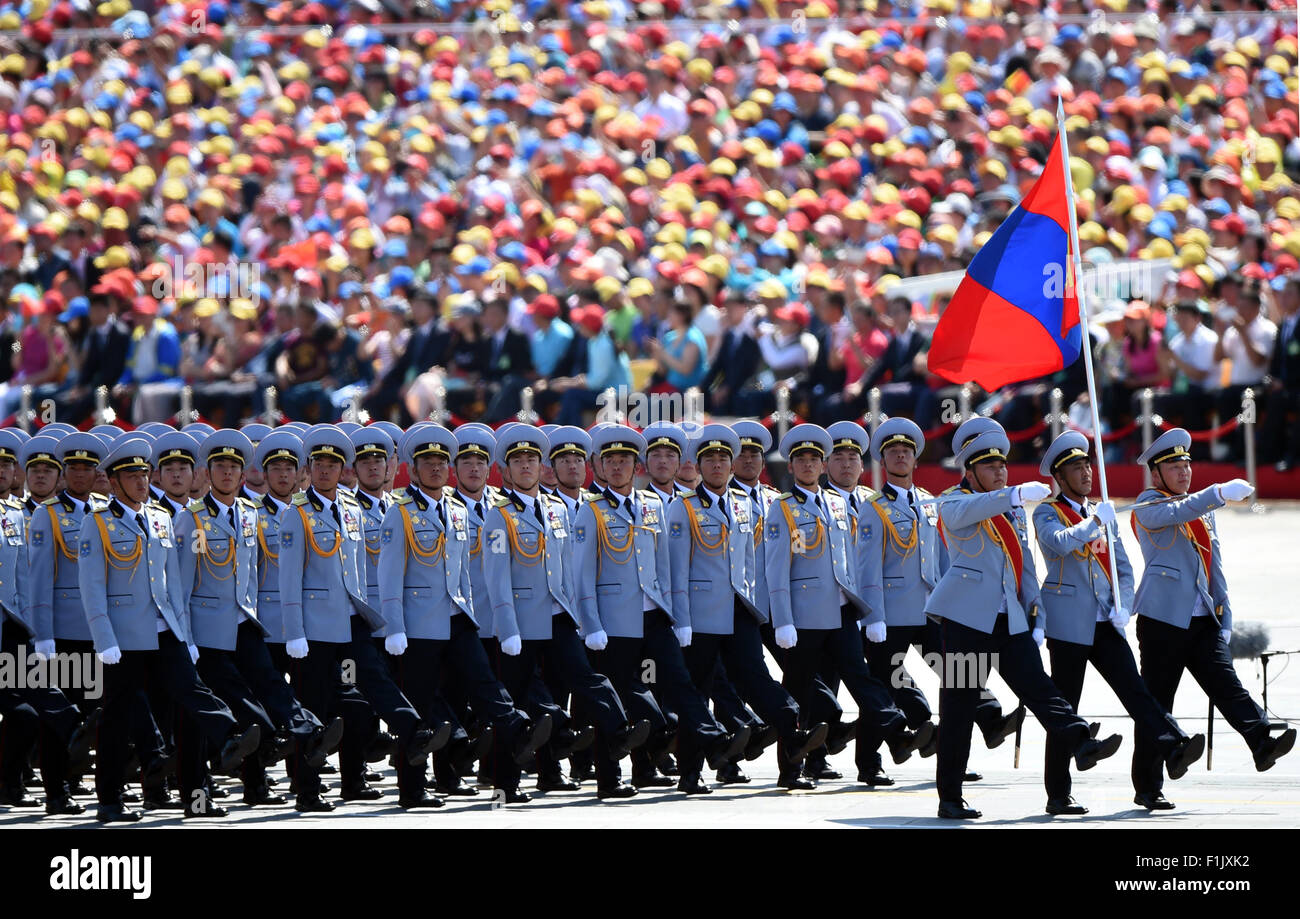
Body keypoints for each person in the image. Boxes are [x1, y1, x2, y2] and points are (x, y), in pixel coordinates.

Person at [925, 423, 1123, 819]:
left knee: (1042, 690)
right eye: (990, 466)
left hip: (1009, 618)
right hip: (965, 621)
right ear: (970, 471)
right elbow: (967, 513)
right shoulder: (952, 501)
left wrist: (1035, 608)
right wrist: (1011, 494)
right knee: (960, 707)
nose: (1000, 472)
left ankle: (1080, 741)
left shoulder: (1009, 507)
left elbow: (1024, 561)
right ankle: (950, 796)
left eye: (1003, 466)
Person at [78, 436, 263, 822]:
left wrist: (186, 635)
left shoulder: (161, 519)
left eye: (144, 474)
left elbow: (174, 586)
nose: (142, 482)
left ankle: (230, 736)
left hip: (165, 629)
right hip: (124, 635)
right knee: (118, 715)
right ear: (114, 483)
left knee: (191, 690)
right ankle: (110, 798)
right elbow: (91, 586)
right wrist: (103, 637)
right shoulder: (97, 523)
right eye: (132, 476)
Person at [377, 423, 552, 805]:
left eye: (442, 463)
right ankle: (412, 788)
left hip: (459, 617)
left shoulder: (456, 511)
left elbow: (464, 573)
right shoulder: (401, 513)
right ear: (415, 468)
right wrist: (394, 626)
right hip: (418, 625)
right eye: (428, 463)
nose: (436, 469)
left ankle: (516, 727)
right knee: (420, 702)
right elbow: (388, 575)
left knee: (485, 684)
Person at [278, 424, 449, 811]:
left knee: (370, 684)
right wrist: (294, 630)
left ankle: (410, 731)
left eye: (333, 466)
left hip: (352, 622)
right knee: (315, 706)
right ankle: (308, 791)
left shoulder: (353, 510)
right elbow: (288, 576)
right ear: (309, 469)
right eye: (319, 465)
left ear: (344, 471)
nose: (325, 472)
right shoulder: (297, 514)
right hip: (315, 629)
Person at [573, 425, 749, 795]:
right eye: (610, 462)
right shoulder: (592, 511)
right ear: (600, 468)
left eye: (624, 461)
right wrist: (591, 624)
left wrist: (679, 617)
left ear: (636, 467)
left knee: (681, 684)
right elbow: (581, 574)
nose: (617, 468)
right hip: (613, 620)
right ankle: (609, 778)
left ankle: (711, 740)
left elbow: (667, 566)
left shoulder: (655, 507)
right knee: (617, 694)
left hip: (654, 615)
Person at [1034, 431, 1204, 816]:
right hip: (1068, 622)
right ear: (1059, 478)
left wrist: (1123, 605)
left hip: (1104, 619)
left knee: (1137, 691)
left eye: (1087, 465)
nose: (1086, 473)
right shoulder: (1049, 511)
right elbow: (1058, 543)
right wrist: (1093, 523)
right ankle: (1058, 793)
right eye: (1076, 468)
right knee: (1065, 705)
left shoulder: (1101, 510)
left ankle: (1170, 747)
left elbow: (1123, 567)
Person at [174, 430, 343, 808]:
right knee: (204, 716)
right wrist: (185, 638)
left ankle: (294, 742)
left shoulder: (250, 515)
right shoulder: (192, 519)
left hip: (245, 622)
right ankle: (196, 795)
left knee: (269, 687)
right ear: (208, 473)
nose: (228, 474)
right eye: (220, 467)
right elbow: (182, 585)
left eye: (234, 467)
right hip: (204, 630)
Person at [1129, 429, 1295, 808]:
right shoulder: (1147, 504)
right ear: (1156, 475)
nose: (1184, 471)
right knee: (1158, 701)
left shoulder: (1198, 508)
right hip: (1162, 621)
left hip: (1202, 617)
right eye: (1174, 465)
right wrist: (1217, 494)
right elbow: (1174, 513)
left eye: (1186, 464)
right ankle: (1148, 784)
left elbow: (1213, 564)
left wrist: (1225, 613)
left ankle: (1261, 742)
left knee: (1227, 686)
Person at [482, 426, 650, 800]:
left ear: (542, 468)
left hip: (558, 615)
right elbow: (496, 577)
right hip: (520, 623)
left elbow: (572, 569)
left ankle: (617, 737)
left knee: (588, 679)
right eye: (517, 462)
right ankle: (505, 784)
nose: (525, 467)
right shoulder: (499, 516)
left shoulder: (558, 510)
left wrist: (584, 619)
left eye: (531, 461)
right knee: (513, 696)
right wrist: (506, 626)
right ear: (506, 471)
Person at [764, 424, 933, 789]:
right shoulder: (784, 509)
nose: (808, 466)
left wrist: (867, 610)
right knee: (799, 691)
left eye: (813, 460)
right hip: (805, 616)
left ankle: (894, 732)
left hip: (842, 612)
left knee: (864, 677)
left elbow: (852, 562)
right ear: (790, 467)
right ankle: (791, 769)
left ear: (821, 467)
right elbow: (777, 567)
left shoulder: (839, 504)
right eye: (801, 460)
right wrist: (783, 620)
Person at [856, 418, 1022, 786]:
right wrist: (873, 616)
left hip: (932, 608)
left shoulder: (934, 504)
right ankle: (869, 762)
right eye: (893, 452)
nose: (901, 456)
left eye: (907, 452)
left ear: (916, 460)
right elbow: (867, 567)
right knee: (885, 684)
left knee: (957, 673)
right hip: (892, 611)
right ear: (883, 461)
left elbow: (951, 559)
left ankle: (986, 725)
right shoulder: (873, 508)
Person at [666, 423, 829, 789]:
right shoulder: (684, 508)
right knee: (699, 689)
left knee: (756, 678)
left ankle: (793, 737)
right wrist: (681, 619)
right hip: (701, 613)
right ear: (699, 465)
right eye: (711, 459)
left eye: (724, 458)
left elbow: (753, 559)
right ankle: (690, 773)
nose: (719, 465)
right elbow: (675, 569)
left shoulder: (744, 505)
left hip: (740, 608)